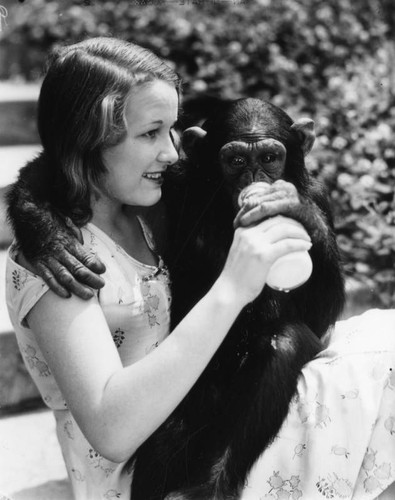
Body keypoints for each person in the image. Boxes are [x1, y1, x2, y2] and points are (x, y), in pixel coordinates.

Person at [5, 37, 314, 500]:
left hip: (196, 423)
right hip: (143, 476)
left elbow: (37, 177)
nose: (172, 153)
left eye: (172, 131)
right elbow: (111, 429)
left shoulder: (147, 206)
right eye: (151, 133)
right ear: (89, 139)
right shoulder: (61, 262)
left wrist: (299, 207)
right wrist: (232, 287)